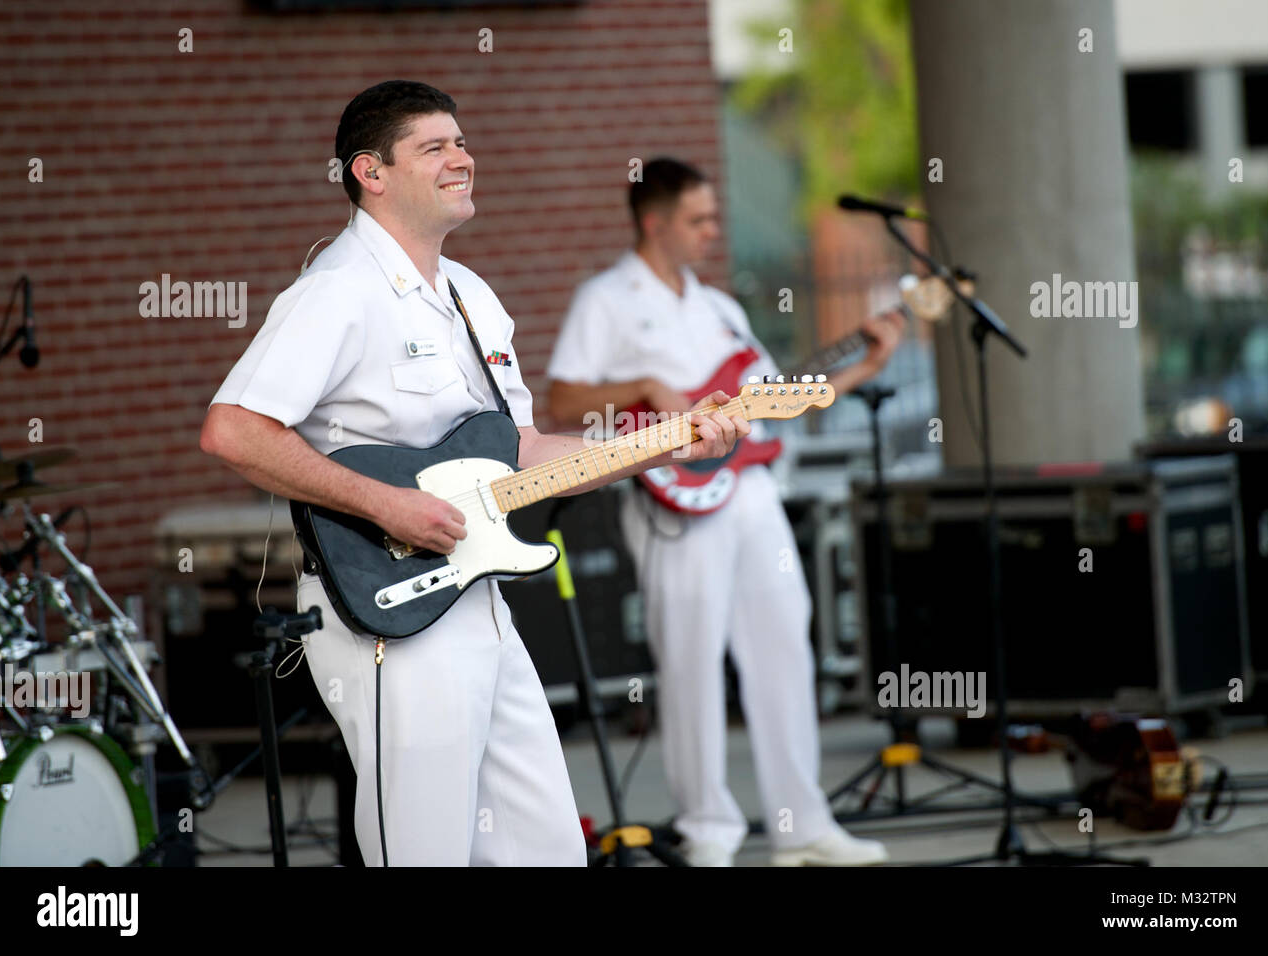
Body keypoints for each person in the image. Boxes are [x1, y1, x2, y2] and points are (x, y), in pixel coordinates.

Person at [199, 86, 748, 867]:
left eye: (461, 142)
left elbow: (519, 453)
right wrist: (387, 504)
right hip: (388, 613)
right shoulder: (337, 291)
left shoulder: (473, 298)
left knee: (548, 849)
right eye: (434, 147)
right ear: (370, 172)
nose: (462, 158)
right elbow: (233, 431)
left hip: (479, 600)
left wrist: (668, 444)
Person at [547, 157, 906, 866]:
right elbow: (560, 401)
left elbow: (774, 398)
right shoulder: (605, 299)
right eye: (698, 219)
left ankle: (802, 823)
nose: (713, 230)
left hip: (752, 492)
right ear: (654, 223)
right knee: (690, 659)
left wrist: (863, 365)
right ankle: (708, 827)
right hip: (672, 500)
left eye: (713, 217)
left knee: (784, 648)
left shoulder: (720, 308)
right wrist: (647, 383)